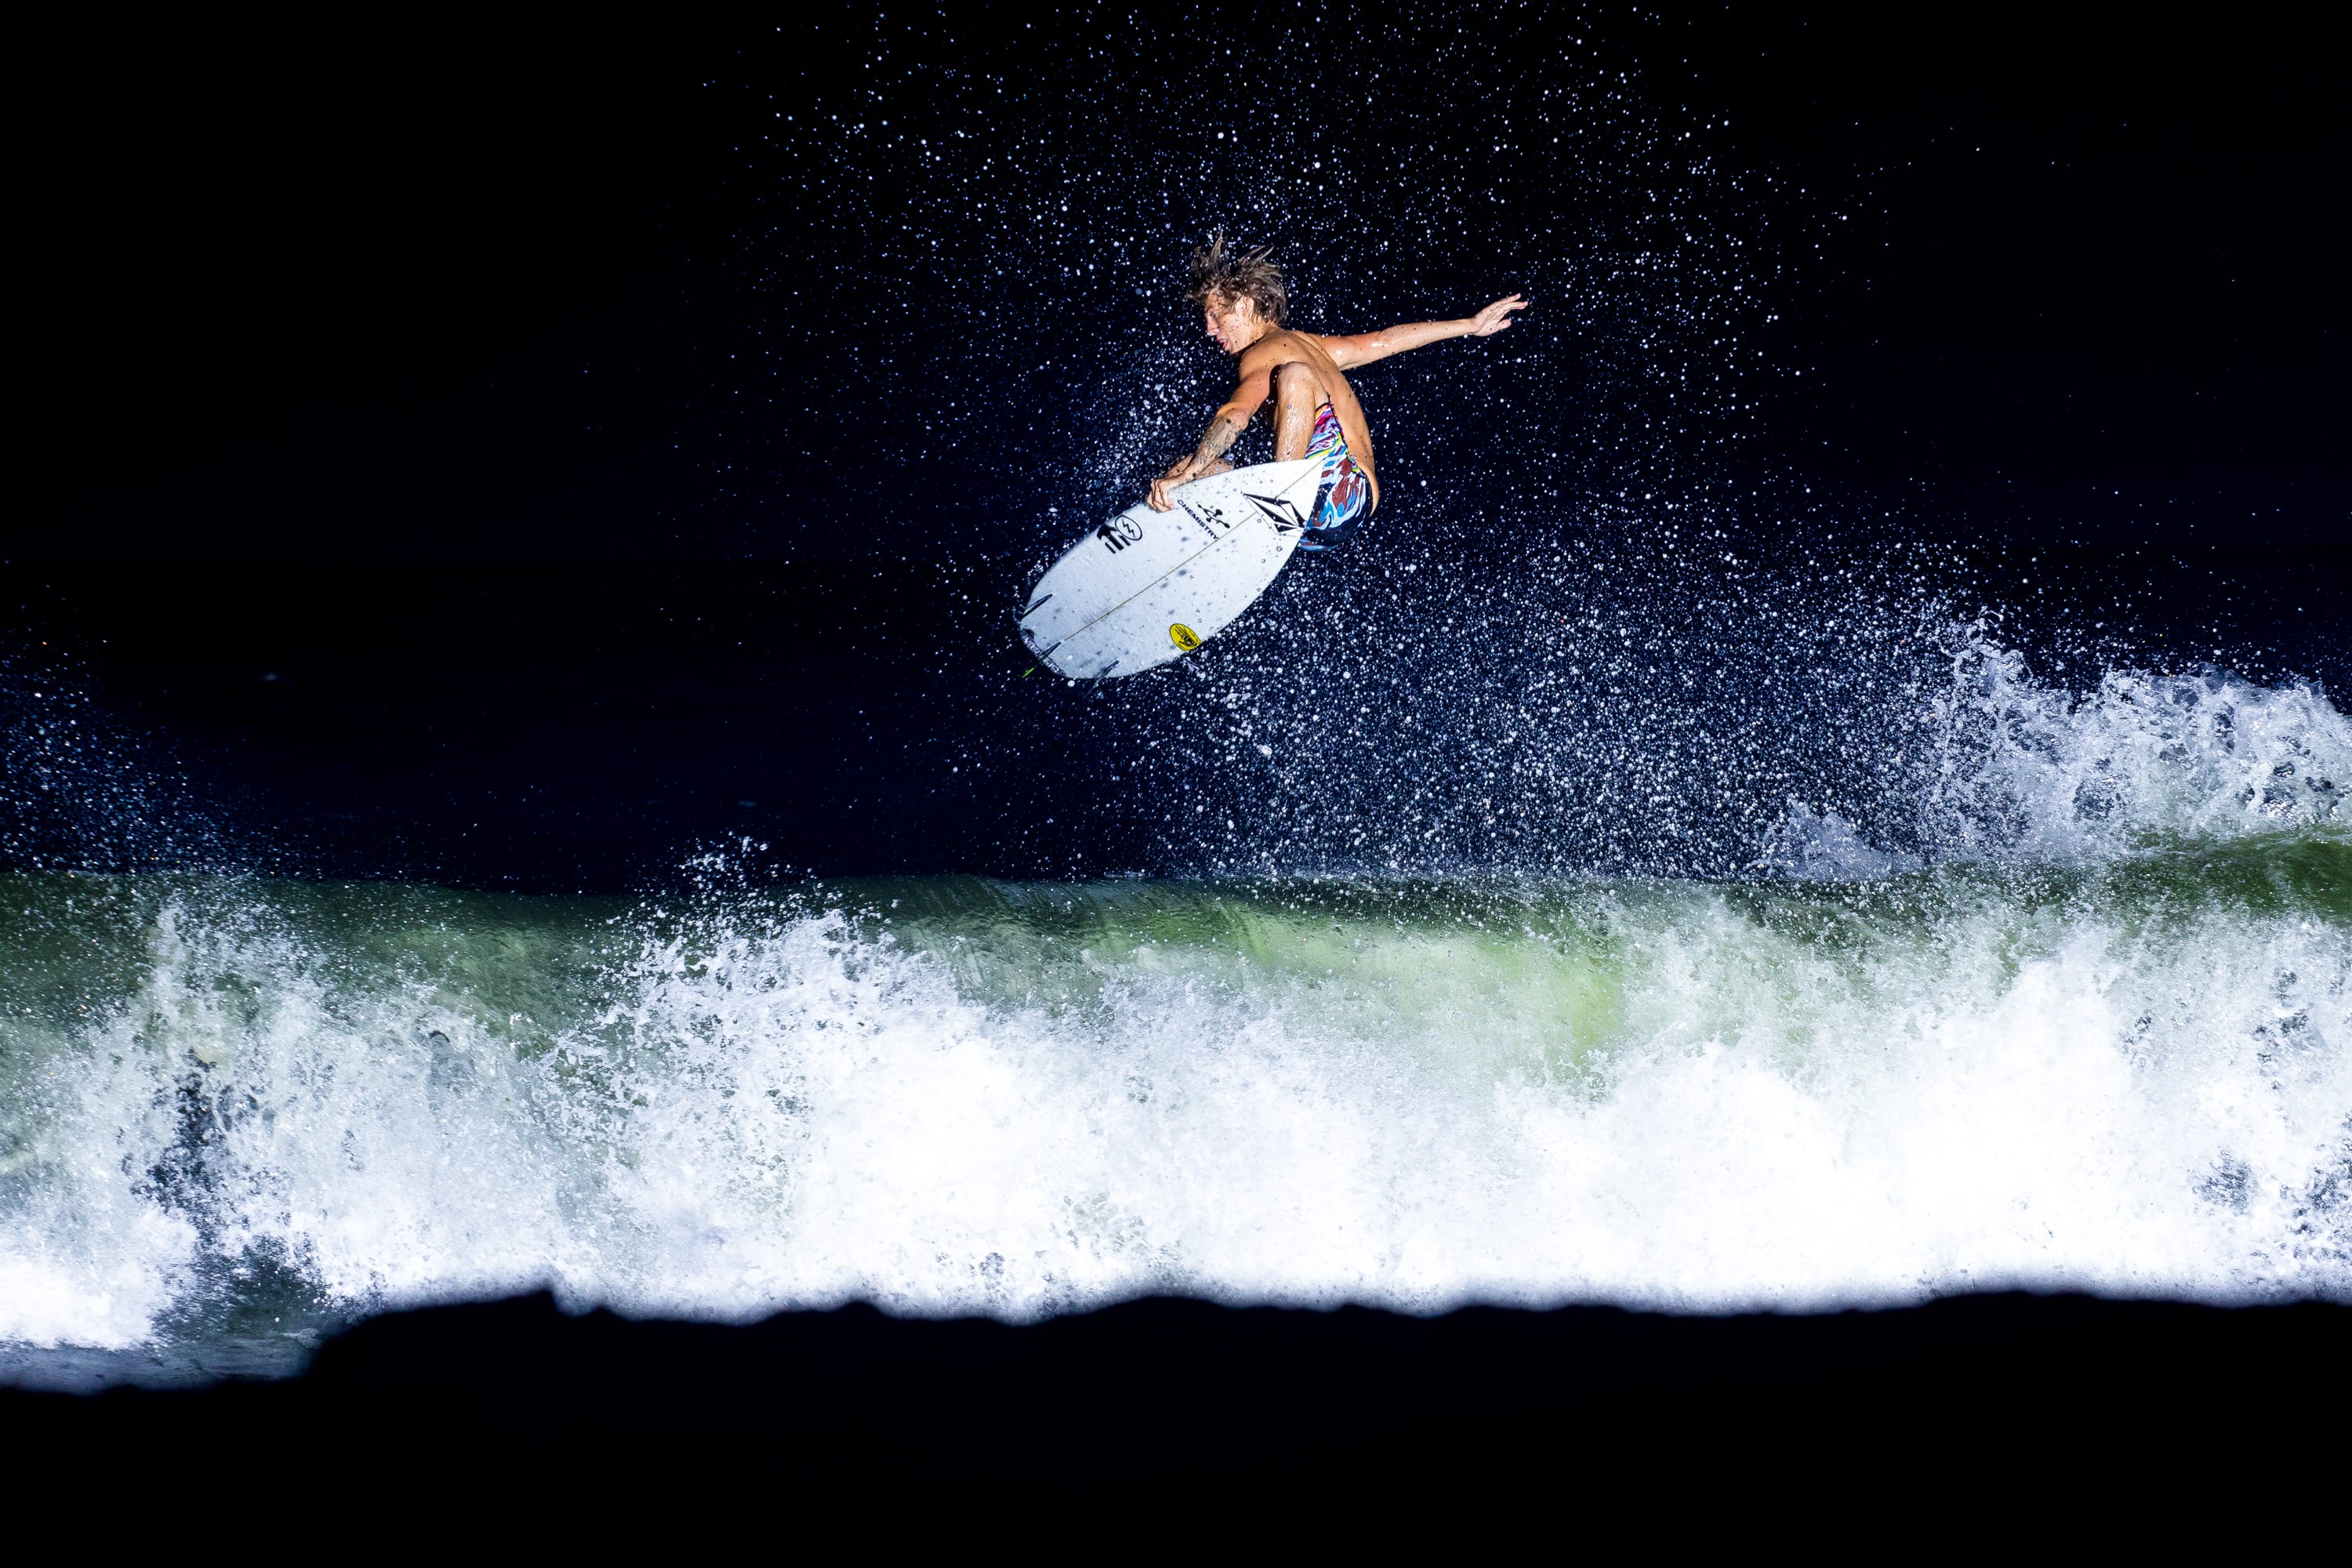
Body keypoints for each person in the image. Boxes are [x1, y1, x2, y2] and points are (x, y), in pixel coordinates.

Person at [1145, 236, 1527, 551]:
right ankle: (1197, 554)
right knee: (1186, 471)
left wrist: (1191, 473)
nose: (1209, 329)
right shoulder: (1311, 343)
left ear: (1245, 305)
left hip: (1328, 491)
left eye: (1215, 315)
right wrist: (1468, 325)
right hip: (1349, 509)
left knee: (1289, 382)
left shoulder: (1263, 354)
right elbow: (1384, 342)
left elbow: (1235, 414)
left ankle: (1280, 497)